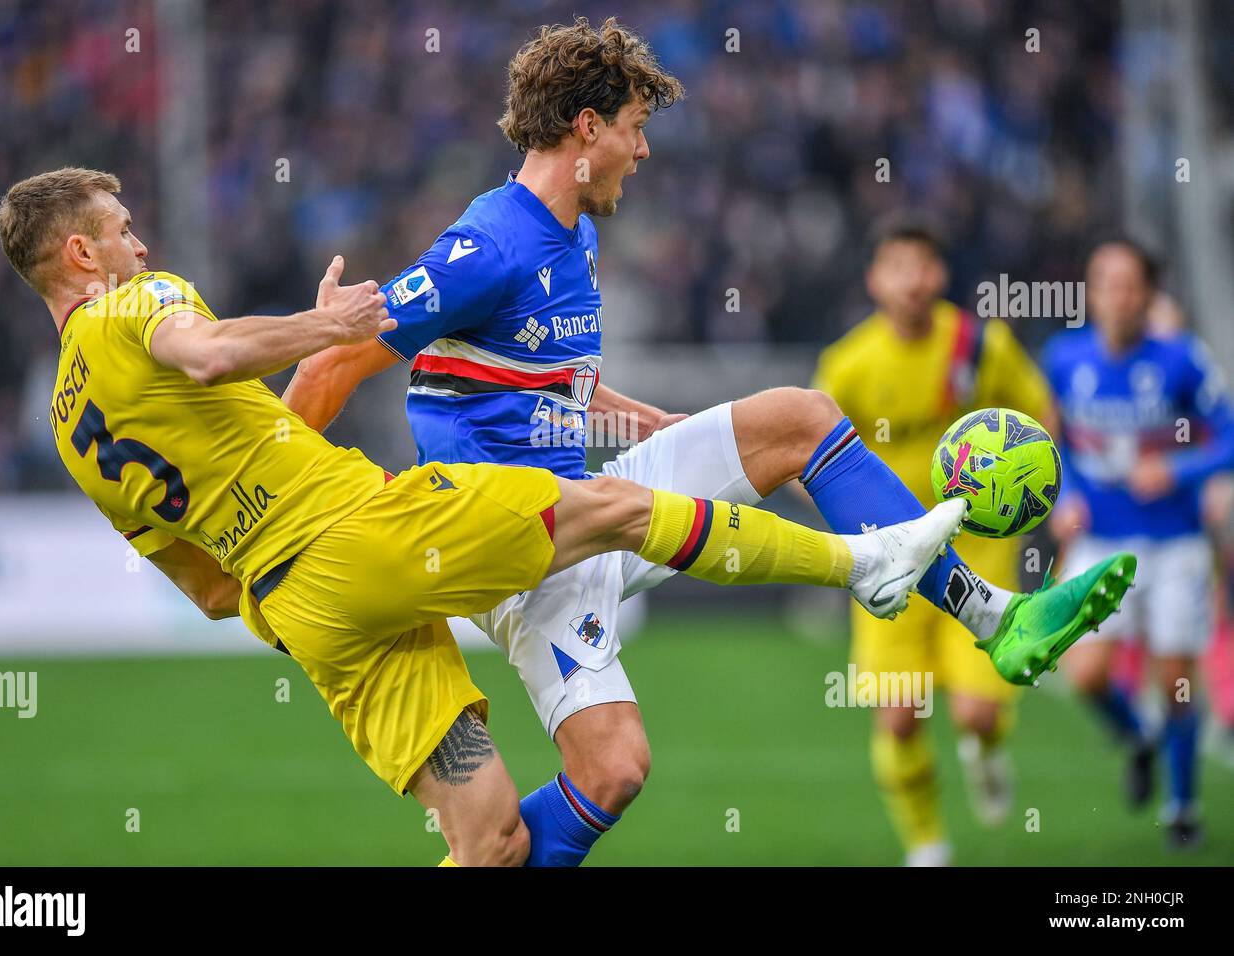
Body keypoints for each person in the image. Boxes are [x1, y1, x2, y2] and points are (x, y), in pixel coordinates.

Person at [282, 16, 1136, 866]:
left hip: (590, 509)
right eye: (635, 128)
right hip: (517, 550)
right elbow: (329, 367)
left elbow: (554, 385)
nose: (643, 153)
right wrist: (282, 539)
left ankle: (996, 618)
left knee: (799, 422)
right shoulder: (490, 245)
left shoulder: (573, 233)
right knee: (608, 773)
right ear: (588, 129)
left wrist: (658, 428)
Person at [0, 165, 1008, 866]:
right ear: (80, 253)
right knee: (605, 504)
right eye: (122, 230)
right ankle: (862, 565)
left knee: (490, 842)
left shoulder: (71, 427)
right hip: (367, 535)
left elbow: (207, 586)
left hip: (312, 619)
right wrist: (328, 322)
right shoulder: (134, 304)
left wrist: (299, 590)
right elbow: (211, 350)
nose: (141, 242)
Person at [811, 220, 1055, 866]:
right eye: (897, 266)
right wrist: (850, 533)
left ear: (940, 276)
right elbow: (809, 459)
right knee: (899, 718)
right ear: (874, 280)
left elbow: (1039, 416)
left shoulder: (980, 346)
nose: (912, 281)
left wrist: (1044, 491)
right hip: (890, 555)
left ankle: (988, 751)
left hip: (974, 551)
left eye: (923, 266)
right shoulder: (849, 364)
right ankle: (927, 845)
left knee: (976, 713)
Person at [1045, 238, 1234, 849]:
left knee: (1175, 677)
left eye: (1130, 284)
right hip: (1100, 538)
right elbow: (1058, 442)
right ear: (1091, 291)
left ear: (1148, 294)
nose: (1118, 295)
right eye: (1105, 282)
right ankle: (1136, 737)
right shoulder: (1063, 357)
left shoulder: (1182, 360)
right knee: (1085, 674)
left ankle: (1182, 809)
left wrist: (1176, 472)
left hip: (1175, 542)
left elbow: (1229, 438)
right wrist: (1065, 496)